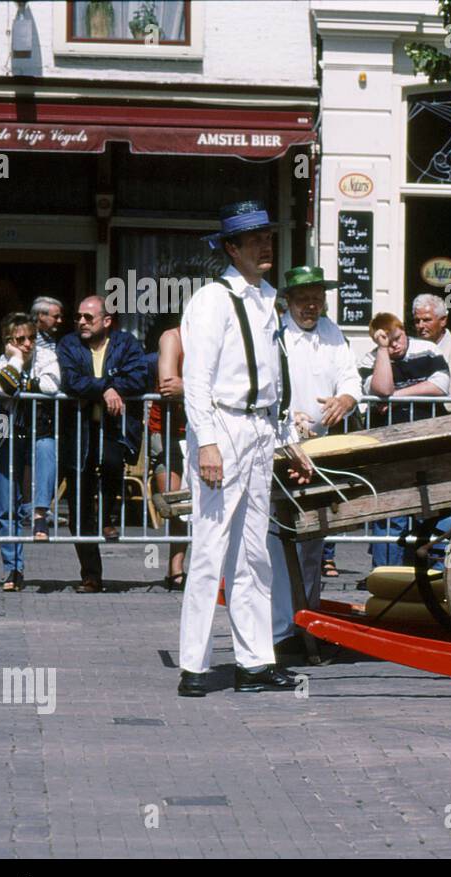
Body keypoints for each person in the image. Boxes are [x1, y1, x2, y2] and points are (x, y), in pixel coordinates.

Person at [176, 200, 313, 698]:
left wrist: (288, 440)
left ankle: (254, 662)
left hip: (258, 431)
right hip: (224, 426)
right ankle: (194, 665)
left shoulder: (268, 299)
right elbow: (196, 380)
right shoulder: (212, 300)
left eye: (268, 235)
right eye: (253, 238)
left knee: (254, 551)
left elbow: (274, 379)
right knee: (211, 547)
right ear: (231, 249)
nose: (264, 244)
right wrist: (207, 443)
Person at [267, 266, 361, 657]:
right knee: (276, 541)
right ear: (288, 301)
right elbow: (267, 389)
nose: (311, 305)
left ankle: (310, 619)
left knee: (312, 538)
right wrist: (290, 425)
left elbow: (352, 381)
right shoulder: (276, 337)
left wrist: (345, 400)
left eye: (317, 297)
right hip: (281, 447)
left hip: (321, 449)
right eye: (304, 298)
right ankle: (279, 631)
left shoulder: (332, 333)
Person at [57, 295, 148, 593]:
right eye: (78, 317)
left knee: (111, 464)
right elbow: (71, 381)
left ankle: (108, 516)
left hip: (114, 428)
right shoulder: (69, 344)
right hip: (79, 428)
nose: (81, 322)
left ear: (107, 321)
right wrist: (108, 386)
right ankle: (91, 574)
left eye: (88, 317)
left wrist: (109, 384)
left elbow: (138, 378)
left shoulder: (126, 344)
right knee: (79, 499)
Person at [359, 311, 450, 574]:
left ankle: (436, 572)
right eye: (387, 341)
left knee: (434, 509)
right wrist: (383, 352)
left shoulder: (428, 350)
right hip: (390, 447)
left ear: (403, 331)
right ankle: (385, 574)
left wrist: (398, 395)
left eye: (397, 338)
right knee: (391, 514)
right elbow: (381, 389)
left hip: (428, 440)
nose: (395, 344)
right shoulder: (373, 357)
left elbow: (440, 386)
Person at [0, 314, 61, 591]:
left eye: (31, 337)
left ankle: (40, 512)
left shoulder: (47, 357)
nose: (28, 344)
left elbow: (53, 386)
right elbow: (2, 385)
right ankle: (12, 569)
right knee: (7, 504)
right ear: (9, 342)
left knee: (46, 450)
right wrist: (16, 361)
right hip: (6, 431)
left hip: (38, 430)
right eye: (20, 340)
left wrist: (22, 385)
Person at [149, 314, 189, 588]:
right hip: (168, 430)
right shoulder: (172, 337)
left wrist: (187, 387)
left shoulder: (222, 339)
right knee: (174, 504)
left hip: (209, 429)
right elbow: (168, 386)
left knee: (211, 505)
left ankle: (196, 569)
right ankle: (175, 568)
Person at [411, 293, 451, 411]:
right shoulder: (409, 349)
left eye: (427, 320)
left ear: (443, 321)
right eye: (417, 321)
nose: (421, 325)